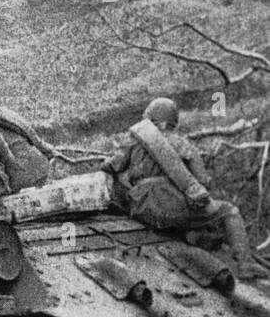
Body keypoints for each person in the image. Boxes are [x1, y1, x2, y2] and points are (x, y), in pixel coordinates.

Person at [101, 98, 267, 279]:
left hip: (142, 209)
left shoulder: (135, 140)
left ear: (150, 118)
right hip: (175, 210)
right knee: (228, 211)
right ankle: (245, 264)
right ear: (173, 122)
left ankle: (191, 236)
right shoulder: (184, 144)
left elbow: (111, 166)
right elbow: (203, 181)